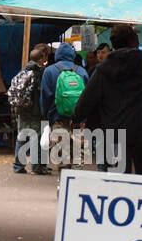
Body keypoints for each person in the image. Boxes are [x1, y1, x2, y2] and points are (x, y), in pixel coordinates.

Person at [74, 23, 142, 175]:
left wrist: (76, 117)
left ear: (113, 44)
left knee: (118, 183)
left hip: (114, 134)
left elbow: (86, 101)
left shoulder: (103, 70)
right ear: (134, 41)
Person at [41, 41, 88, 172]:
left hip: (58, 118)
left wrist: (47, 117)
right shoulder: (82, 71)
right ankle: (77, 178)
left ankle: (64, 181)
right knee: (78, 154)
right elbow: (88, 96)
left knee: (62, 155)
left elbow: (45, 96)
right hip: (78, 120)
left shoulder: (49, 71)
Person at [10, 43, 52, 174]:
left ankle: (18, 165)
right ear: (41, 59)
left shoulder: (23, 71)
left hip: (22, 110)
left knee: (22, 137)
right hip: (35, 111)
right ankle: (37, 166)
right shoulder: (39, 73)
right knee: (36, 138)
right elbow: (41, 94)